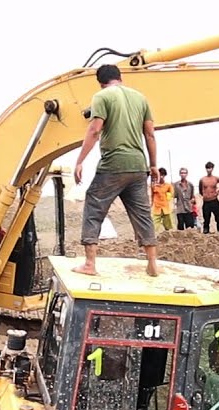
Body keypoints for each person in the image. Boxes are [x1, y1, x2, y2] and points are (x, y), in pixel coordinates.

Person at [73, 64, 160, 276]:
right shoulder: (140, 98)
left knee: (94, 205)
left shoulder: (101, 96)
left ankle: (90, 264)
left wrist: (80, 161)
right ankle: (152, 263)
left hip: (113, 164)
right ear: (120, 77)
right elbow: (150, 134)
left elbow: (95, 130)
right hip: (138, 166)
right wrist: (153, 165)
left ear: (100, 82)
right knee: (142, 215)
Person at [198, 162, 219, 233]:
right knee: (206, 218)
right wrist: (205, 195)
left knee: (218, 217)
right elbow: (200, 190)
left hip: (214, 200)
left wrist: (218, 190)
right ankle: (206, 230)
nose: (209, 170)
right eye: (207, 168)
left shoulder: (216, 178)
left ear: (212, 169)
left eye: (210, 168)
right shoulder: (202, 179)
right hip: (206, 202)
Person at [150, 167, 175, 232]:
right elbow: (151, 196)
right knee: (154, 226)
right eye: (160, 175)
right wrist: (151, 204)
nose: (161, 177)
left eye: (162, 175)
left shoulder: (168, 186)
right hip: (156, 209)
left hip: (166, 208)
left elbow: (171, 196)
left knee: (169, 227)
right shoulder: (153, 186)